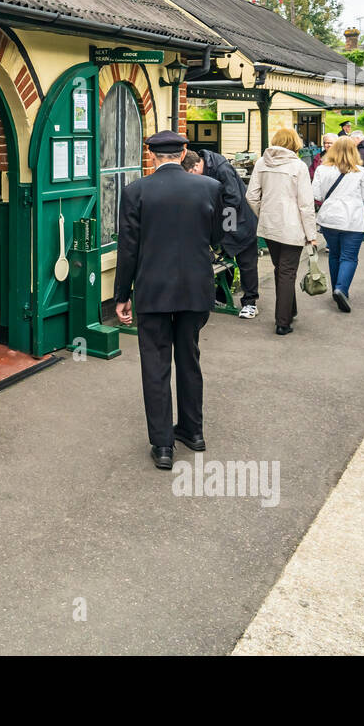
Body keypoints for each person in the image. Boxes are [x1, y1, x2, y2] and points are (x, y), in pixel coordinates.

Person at [114, 131, 225, 471]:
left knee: (156, 364)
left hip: (153, 289)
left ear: (151, 156)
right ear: (183, 152)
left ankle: (163, 445)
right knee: (189, 357)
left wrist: (121, 295)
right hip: (196, 288)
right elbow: (218, 236)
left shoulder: (135, 192)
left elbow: (128, 248)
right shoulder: (209, 188)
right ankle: (193, 431)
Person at [245, 128, 318, 336]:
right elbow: (305, 204)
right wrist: (311, 235)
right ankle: (282, 322)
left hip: (270, 226)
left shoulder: (261, 162)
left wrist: (264, 213)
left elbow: (251, 196)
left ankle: (289, 310)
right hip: (293, 227)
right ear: (294, 142)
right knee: (287, 272)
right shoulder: (298, 166)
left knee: (281, 269)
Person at [184, 148, 261, 319]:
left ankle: (250, 303)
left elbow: (233, 200)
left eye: (191, 174)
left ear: (196, 166)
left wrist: (215, 220)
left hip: (241, 222)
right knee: (226, 258)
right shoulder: (208, 168)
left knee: (246, 263)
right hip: (227, 223)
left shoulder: (221, 169)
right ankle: (220, 297)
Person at [313, 137, 364, 313]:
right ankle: (342, 289)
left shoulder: (322, 169)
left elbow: (315, 193)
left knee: (334, 255)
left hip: (330, 218)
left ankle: (335, 289)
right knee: (349, 257)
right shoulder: (360, 171)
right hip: (352, 219)